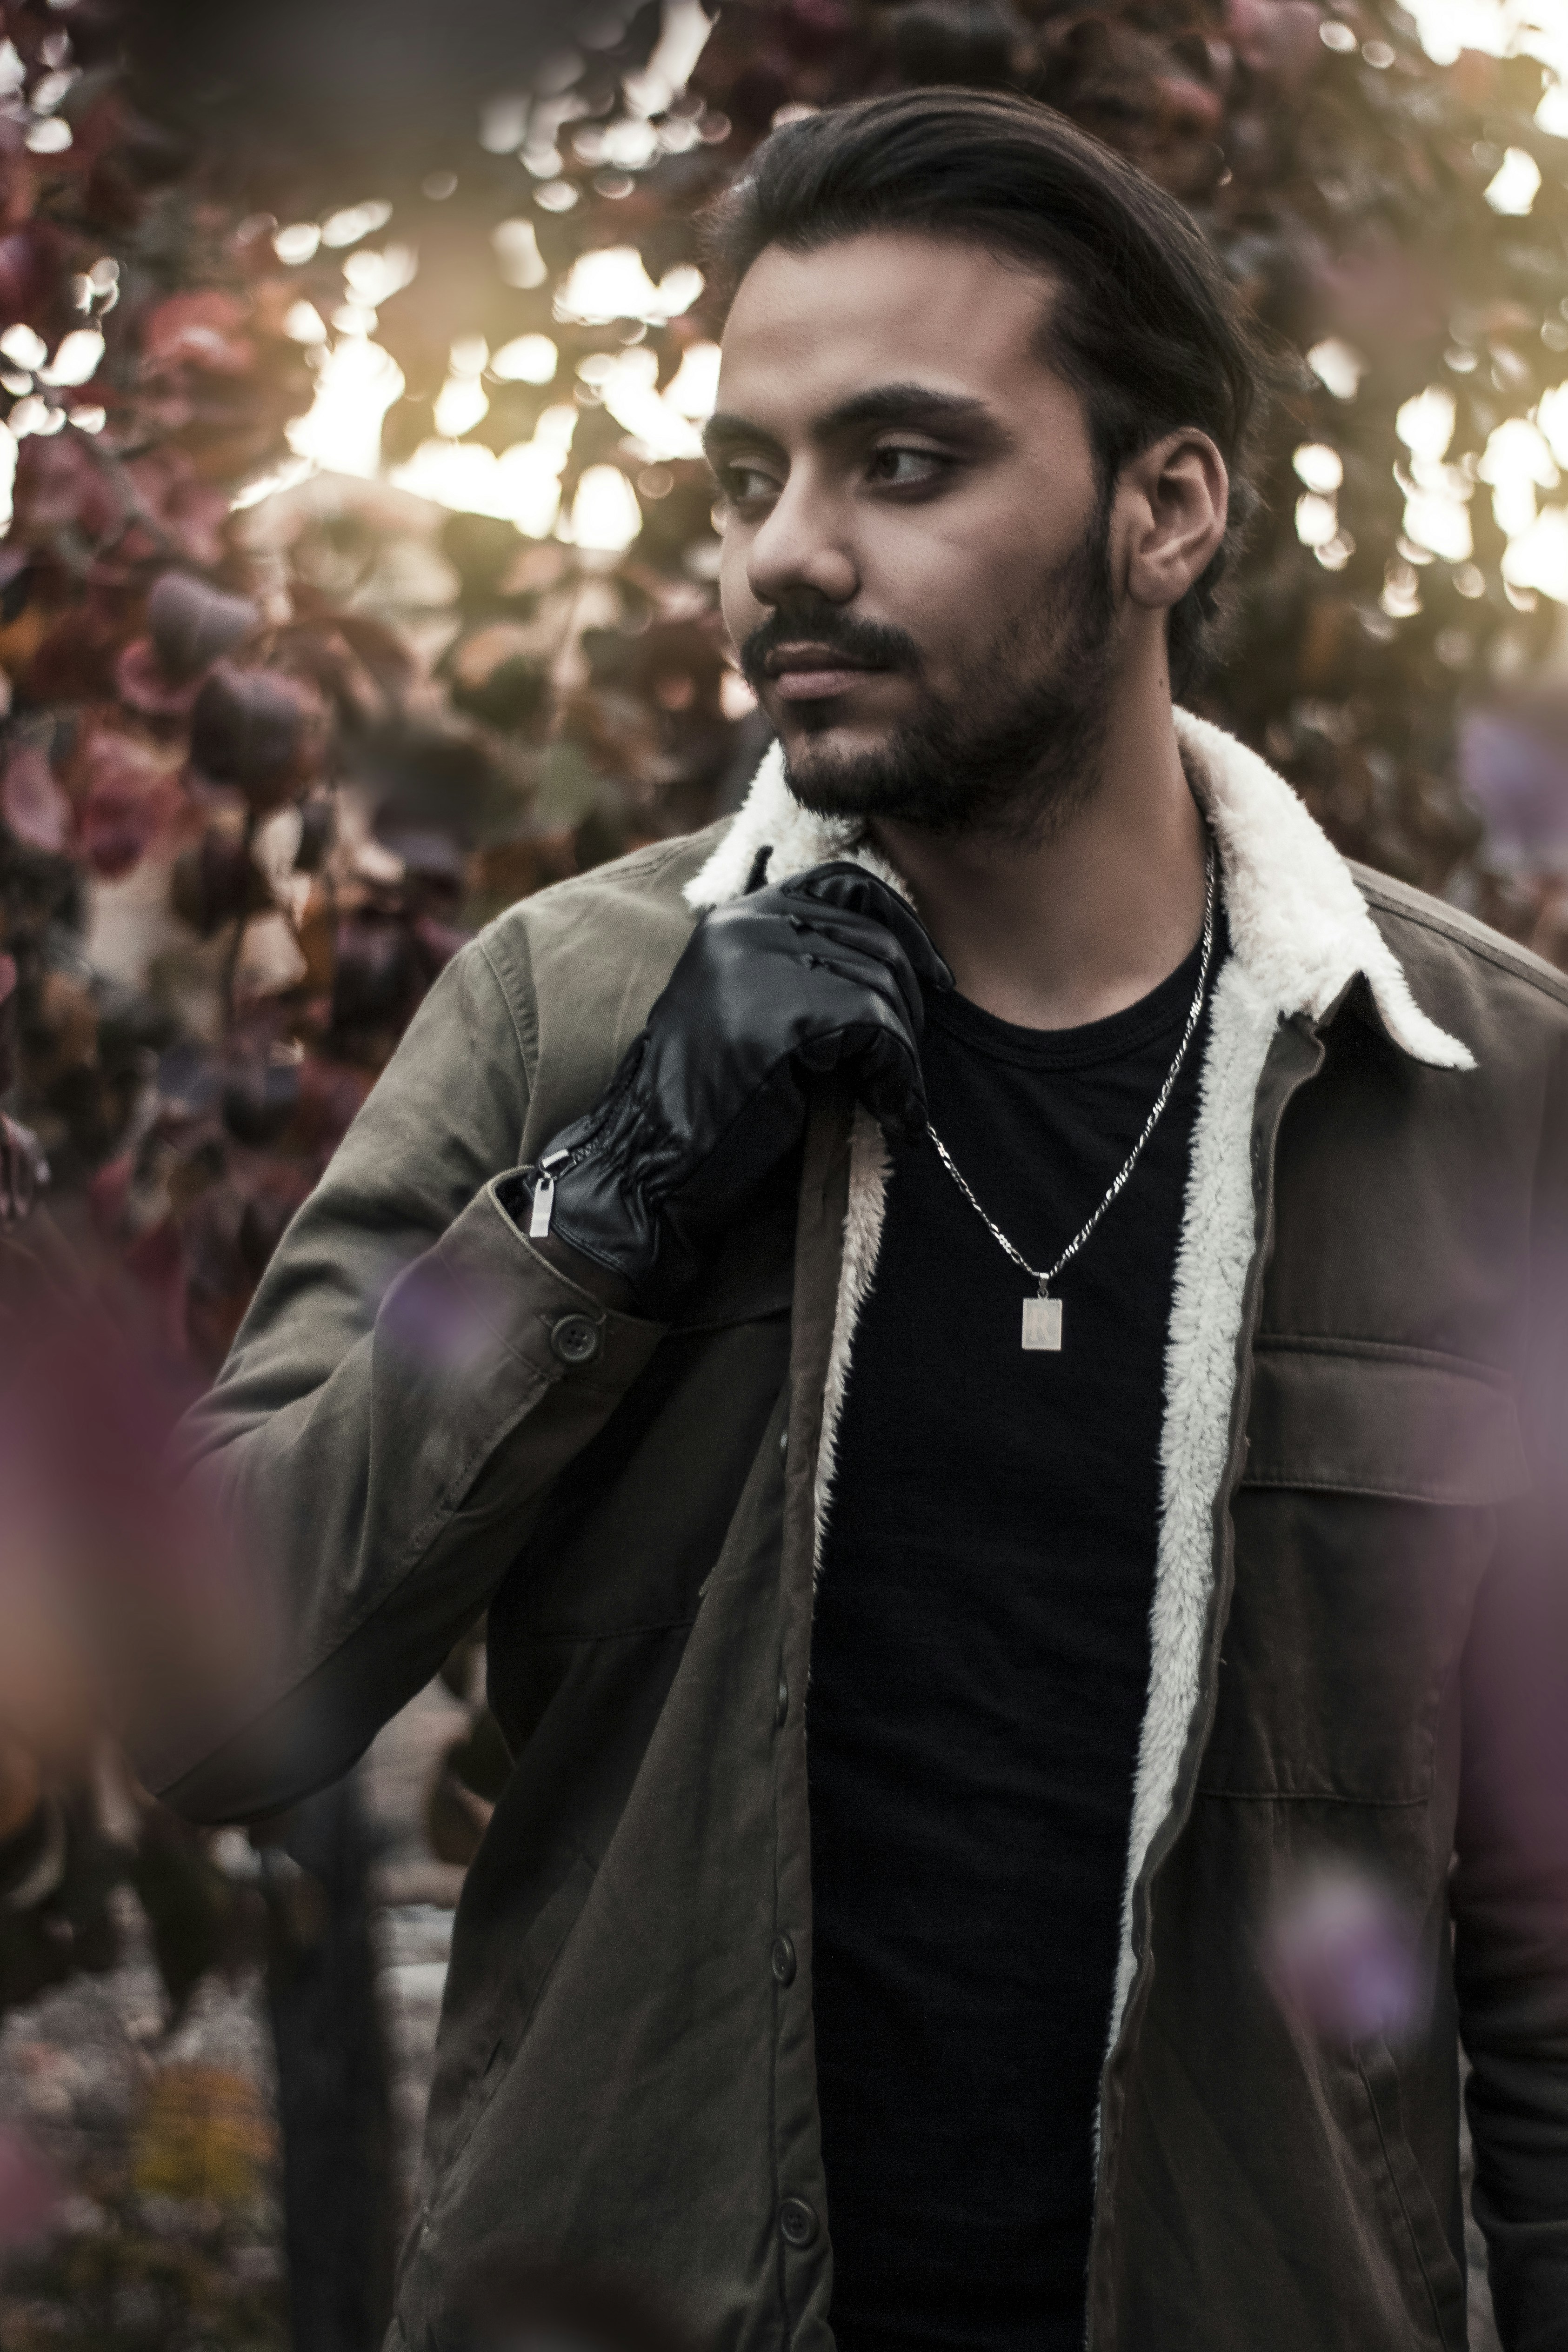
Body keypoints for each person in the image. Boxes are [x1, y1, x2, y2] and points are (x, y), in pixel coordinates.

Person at [152, 89, 1568, 2352]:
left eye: (900, 465)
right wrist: (613, 1199)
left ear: (1164, 508)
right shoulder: (562, 1012)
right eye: (748, 479)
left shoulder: (1475, 1094)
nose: (785, 556)